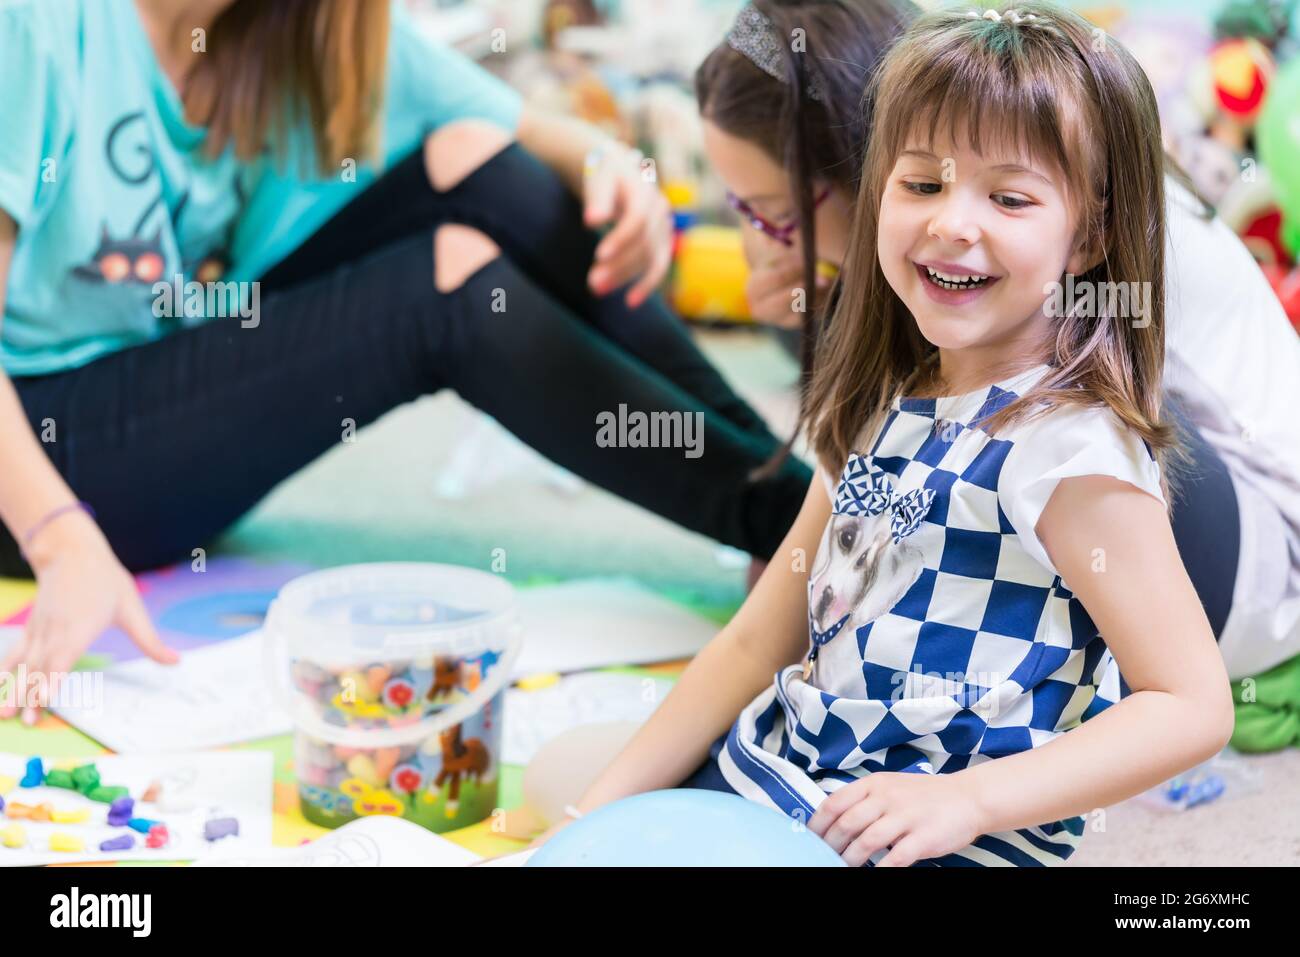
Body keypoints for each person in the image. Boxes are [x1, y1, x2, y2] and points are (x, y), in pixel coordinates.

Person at [540, 2, 1234, 866]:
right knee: (578, 802)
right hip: (784, 777)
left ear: (1089, 233)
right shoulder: (883, 400)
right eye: (921, 184)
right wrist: (590, 814)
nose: (951, 222)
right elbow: (762, 636)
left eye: (1009, 197)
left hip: (931, 837)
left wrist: (966, 799)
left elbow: (1191, 703)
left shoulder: (1071, 449)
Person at [0, 0, 813, 721]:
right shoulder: (37, 24)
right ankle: (791, 525)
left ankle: (794, 503)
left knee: (473, 159)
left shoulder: (297, 24)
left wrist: (609, 164)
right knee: (443, 282)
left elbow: (523, 132)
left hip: (159, 384)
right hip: (41, 467)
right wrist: (61, 541)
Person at [696, 0, 1300, 681]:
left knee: (1018, 390)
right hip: (1188, 514)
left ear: (862, 166)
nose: (766, 246)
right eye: (744, 214)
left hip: (1254, 569)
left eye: (776, 218)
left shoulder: (1070, 223)